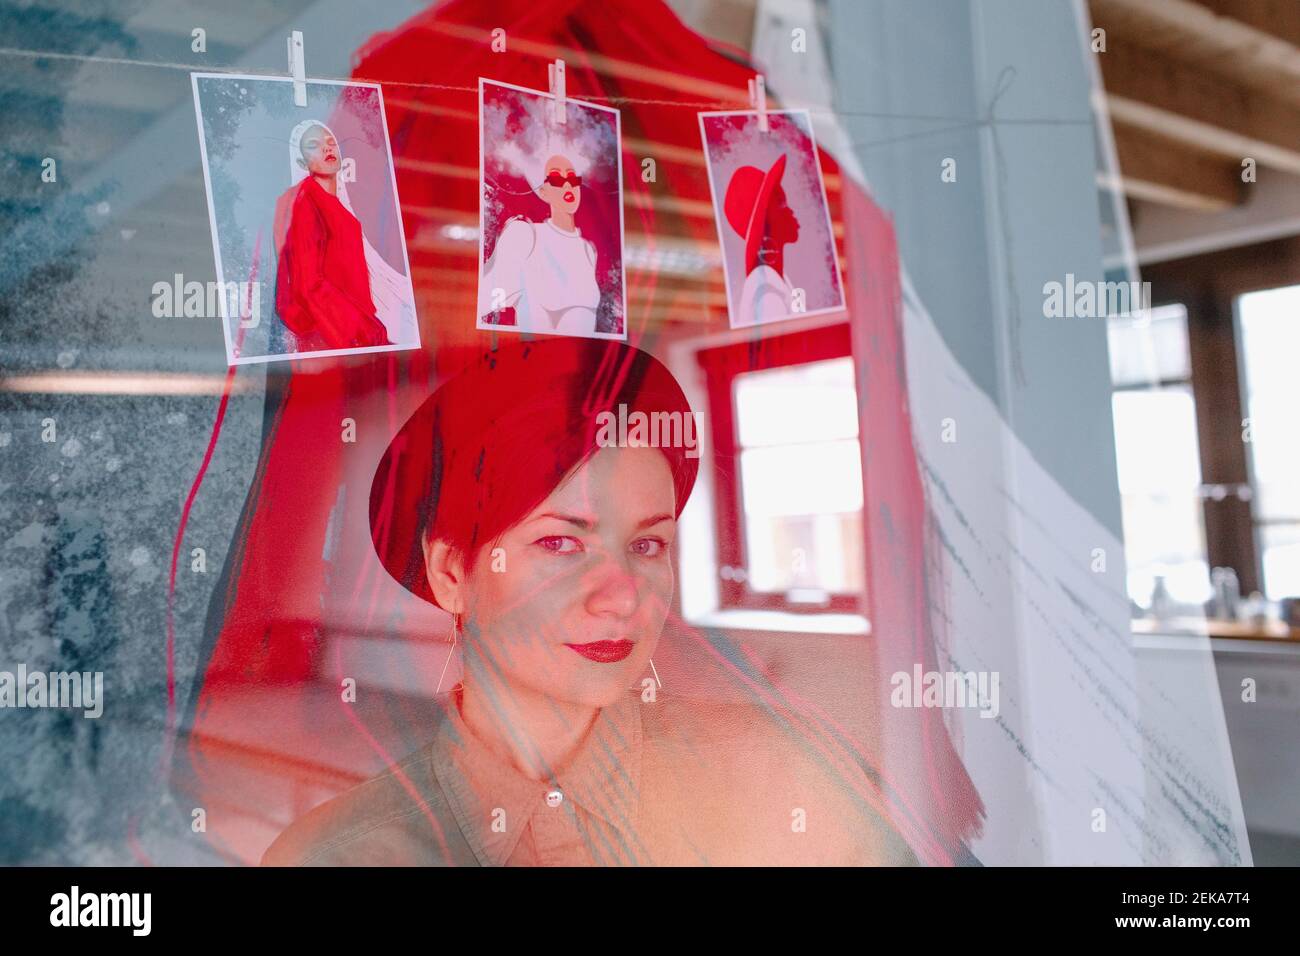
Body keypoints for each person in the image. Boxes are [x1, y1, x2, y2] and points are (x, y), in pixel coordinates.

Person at [261, 338, 919, 866]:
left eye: (648, 545)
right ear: (452, 572)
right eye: (561, 543)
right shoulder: (337, 855)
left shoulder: (784, 778)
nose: (623, 595)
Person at [274, 121, 410, 352]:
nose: (327, 149)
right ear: (301, 162)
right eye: (314, 145)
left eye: (331, 143)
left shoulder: (335, 203)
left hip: (353, 333)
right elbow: (308, 286)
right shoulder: (305, 203)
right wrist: (362, 333)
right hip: (331, 337)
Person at [477, 154, 602, 336]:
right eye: (556, 179)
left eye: (572, 178)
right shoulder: (525, 236)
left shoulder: (588, 250)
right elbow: (483, 302)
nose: (567, 185)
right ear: (542, 191)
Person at [723, 154, 801, 326]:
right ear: (765, 219)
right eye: (781, 202)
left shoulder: (776, 281)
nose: (791, 210)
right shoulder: (766, 291)